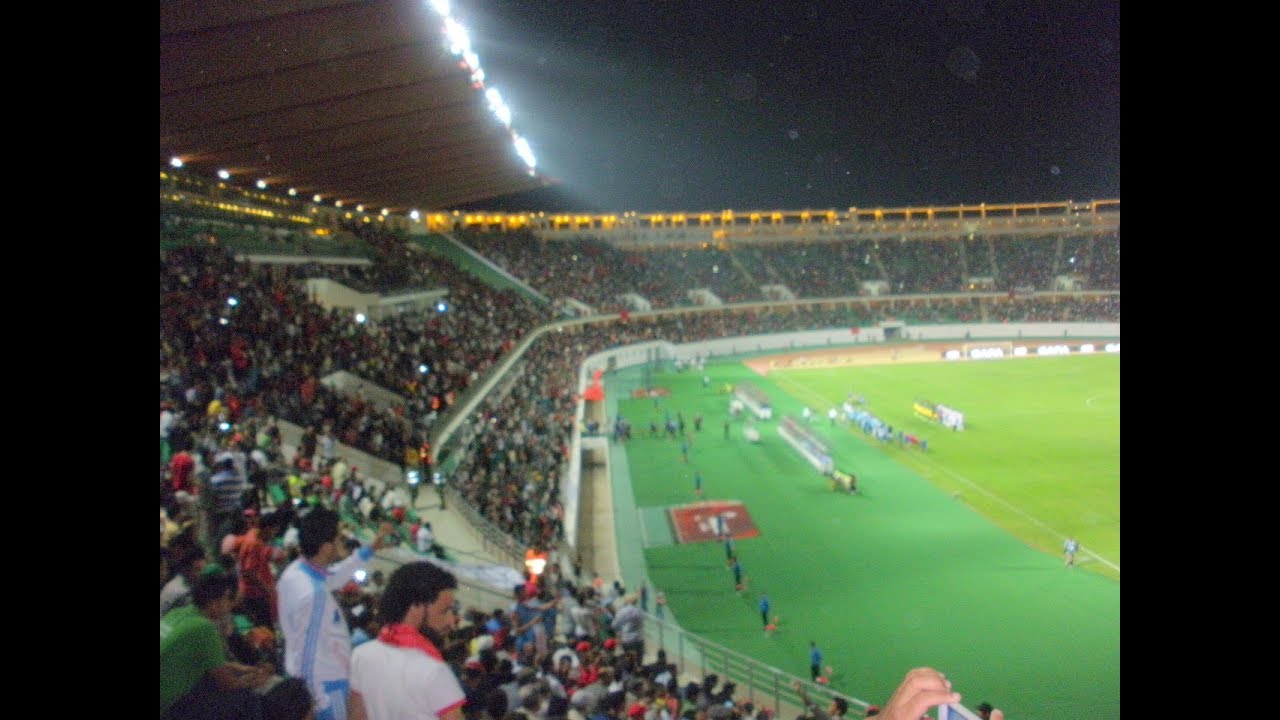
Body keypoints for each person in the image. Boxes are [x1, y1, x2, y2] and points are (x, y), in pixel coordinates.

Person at [277, 508, 397, 720]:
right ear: (326, 547)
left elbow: (334, 575)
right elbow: (308, 655)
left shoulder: (298, 570)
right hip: (325, 689)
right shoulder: (314, 595)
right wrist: (316, 701)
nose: (342, 542)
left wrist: (369, 550)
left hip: (322, 680)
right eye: (338, 538)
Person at [348, 562, 465, 720]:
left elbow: (356, 715)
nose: (451, 621)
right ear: (416, 607)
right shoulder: (434, 672)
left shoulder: (361, 654)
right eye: (444, 611)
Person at [161, 571, 274, 718]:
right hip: (168, 705)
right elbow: (226, 683)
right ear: (214, 603)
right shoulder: (203, 627)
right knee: (248, 698)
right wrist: (254, 679)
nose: (230, 603)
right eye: (227, 598)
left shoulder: (178, 613)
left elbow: (214, 664)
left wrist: (246, 669)